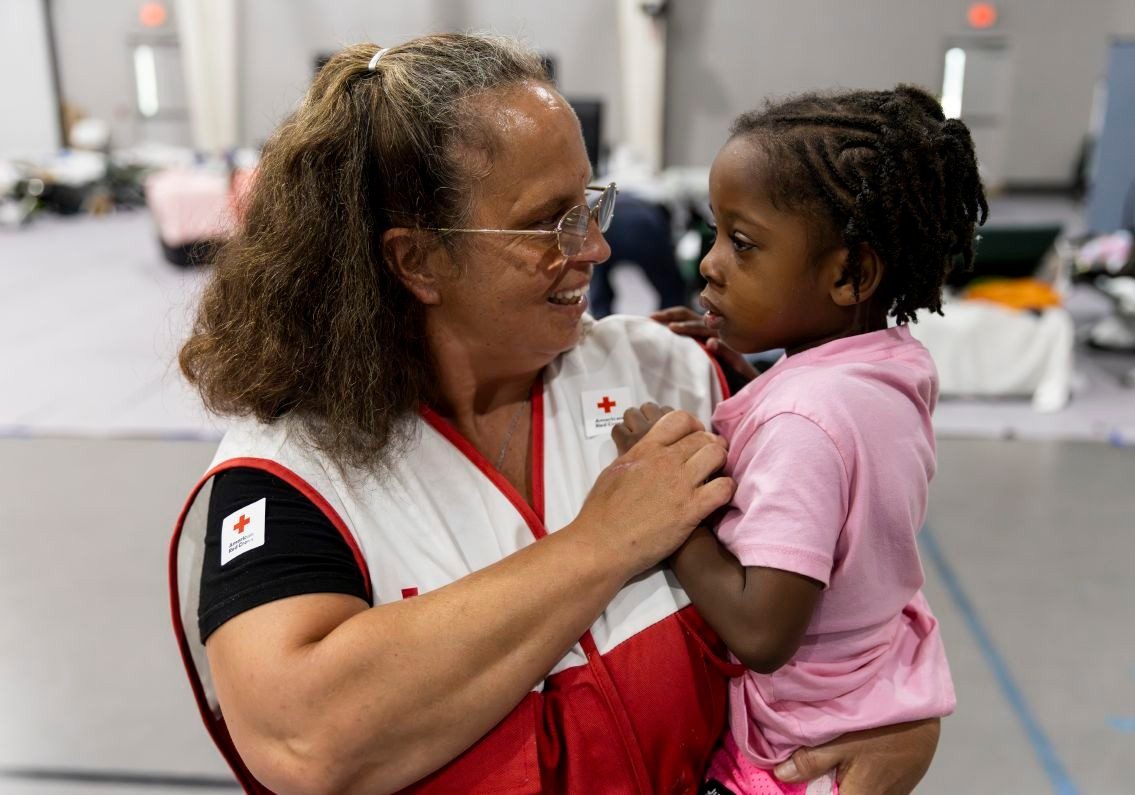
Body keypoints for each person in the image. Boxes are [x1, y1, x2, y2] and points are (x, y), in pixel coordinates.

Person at [169, 35, 943, 794]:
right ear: (418, 259)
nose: (596, 248)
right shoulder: (290, 477)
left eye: (589, 204)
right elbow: (302, 740)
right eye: (550, 221)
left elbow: (848, 560)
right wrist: (603, 542)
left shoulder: (678, 373)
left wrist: (902, 714)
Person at [618, 87, 989, 794]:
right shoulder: (890, 366)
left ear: (849, 274)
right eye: (715, 232)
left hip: (787, 761)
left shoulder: (803, 421)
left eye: (743, 244)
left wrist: (664, 499)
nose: (709, 263)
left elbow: (761, 630)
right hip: (868, 694)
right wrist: (752, 378)